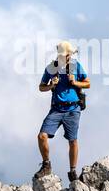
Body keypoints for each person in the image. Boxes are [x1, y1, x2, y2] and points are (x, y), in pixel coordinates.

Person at [36, 40, 90, 182]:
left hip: (73, 108)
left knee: (73, 141)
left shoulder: (75, 66)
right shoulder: (52, 68)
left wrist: (75, 82)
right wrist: (51, 85)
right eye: (66, 55)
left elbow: (88, 83)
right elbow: (41, 87)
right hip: (57, 108)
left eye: (68, 55)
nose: (67, 57)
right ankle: (46, 164)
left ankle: (72, 172)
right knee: (42, 136)